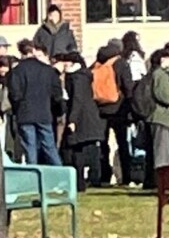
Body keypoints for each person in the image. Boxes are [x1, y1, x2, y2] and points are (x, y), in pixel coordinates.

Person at [6, 40, 64, 166]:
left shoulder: (16, 72)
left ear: (21, 52)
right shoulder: (48, 70)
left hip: (25, 113)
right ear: (33, 50)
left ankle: (33, 177)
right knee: (50, 147)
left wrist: (17, 109)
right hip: (44, 112)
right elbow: (57, 94)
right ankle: (61, 176)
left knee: (30, 149)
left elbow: (15, 95)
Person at [61, 50, 109, 184]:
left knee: (81, 149)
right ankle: (89, 179)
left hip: (82, 118)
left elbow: (78, 99)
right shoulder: (82, 75)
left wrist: (72, 119)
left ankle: (86, 179)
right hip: (89, 116)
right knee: (88, 148)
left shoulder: (77, 78)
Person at [142, 43, 169, 182]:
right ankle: (161, 180)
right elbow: (164, 95)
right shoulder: (161, 74)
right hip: (161, 117)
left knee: (155, 150)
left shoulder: (152, 73)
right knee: (162, 151)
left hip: (154, 117)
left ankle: (153, 180)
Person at [112, 30, 148, 185]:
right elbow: (137, 81)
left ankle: (125, 174)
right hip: (131, 106)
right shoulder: (135, 58)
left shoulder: (119, 60)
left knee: (125, 142)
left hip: (118, 106)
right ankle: (134, 175)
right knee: (134, 141)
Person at [88, 39, 125, 186]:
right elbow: (127, 85)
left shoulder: (96, 64)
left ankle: (103, 176)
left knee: (102, 144)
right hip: (118, 108)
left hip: (99, 108)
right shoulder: (120, 64)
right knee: (122, 144)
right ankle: (126, 176)